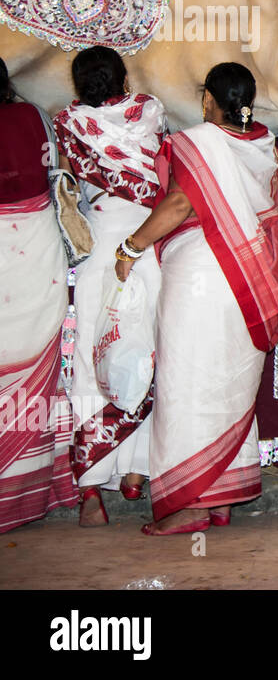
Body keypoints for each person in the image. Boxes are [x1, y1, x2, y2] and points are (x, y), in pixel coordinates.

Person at [116, 62, 278, 535]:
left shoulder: (198, 143)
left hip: (201, 274)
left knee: (188, 384)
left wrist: (130, 246)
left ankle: (190, 506)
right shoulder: (266, 146)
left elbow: (179, 204)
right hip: (249, 282)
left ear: (210, 99)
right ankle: (221, 499)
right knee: (227, 384)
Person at [54, 47, 167, 526]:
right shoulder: (150, 110)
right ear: (123, 76)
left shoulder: (68, 123)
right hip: (145, 241)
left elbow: (69, 185)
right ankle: (137, 473)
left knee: (91, 355)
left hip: (101, 242)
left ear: (79, 83)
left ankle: (90, 495)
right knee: (144, 348)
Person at [0, 57, 77, 533]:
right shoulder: (34, 117)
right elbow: (55, 179)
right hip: (36, 247)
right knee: (35, 366)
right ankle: (24, 497)